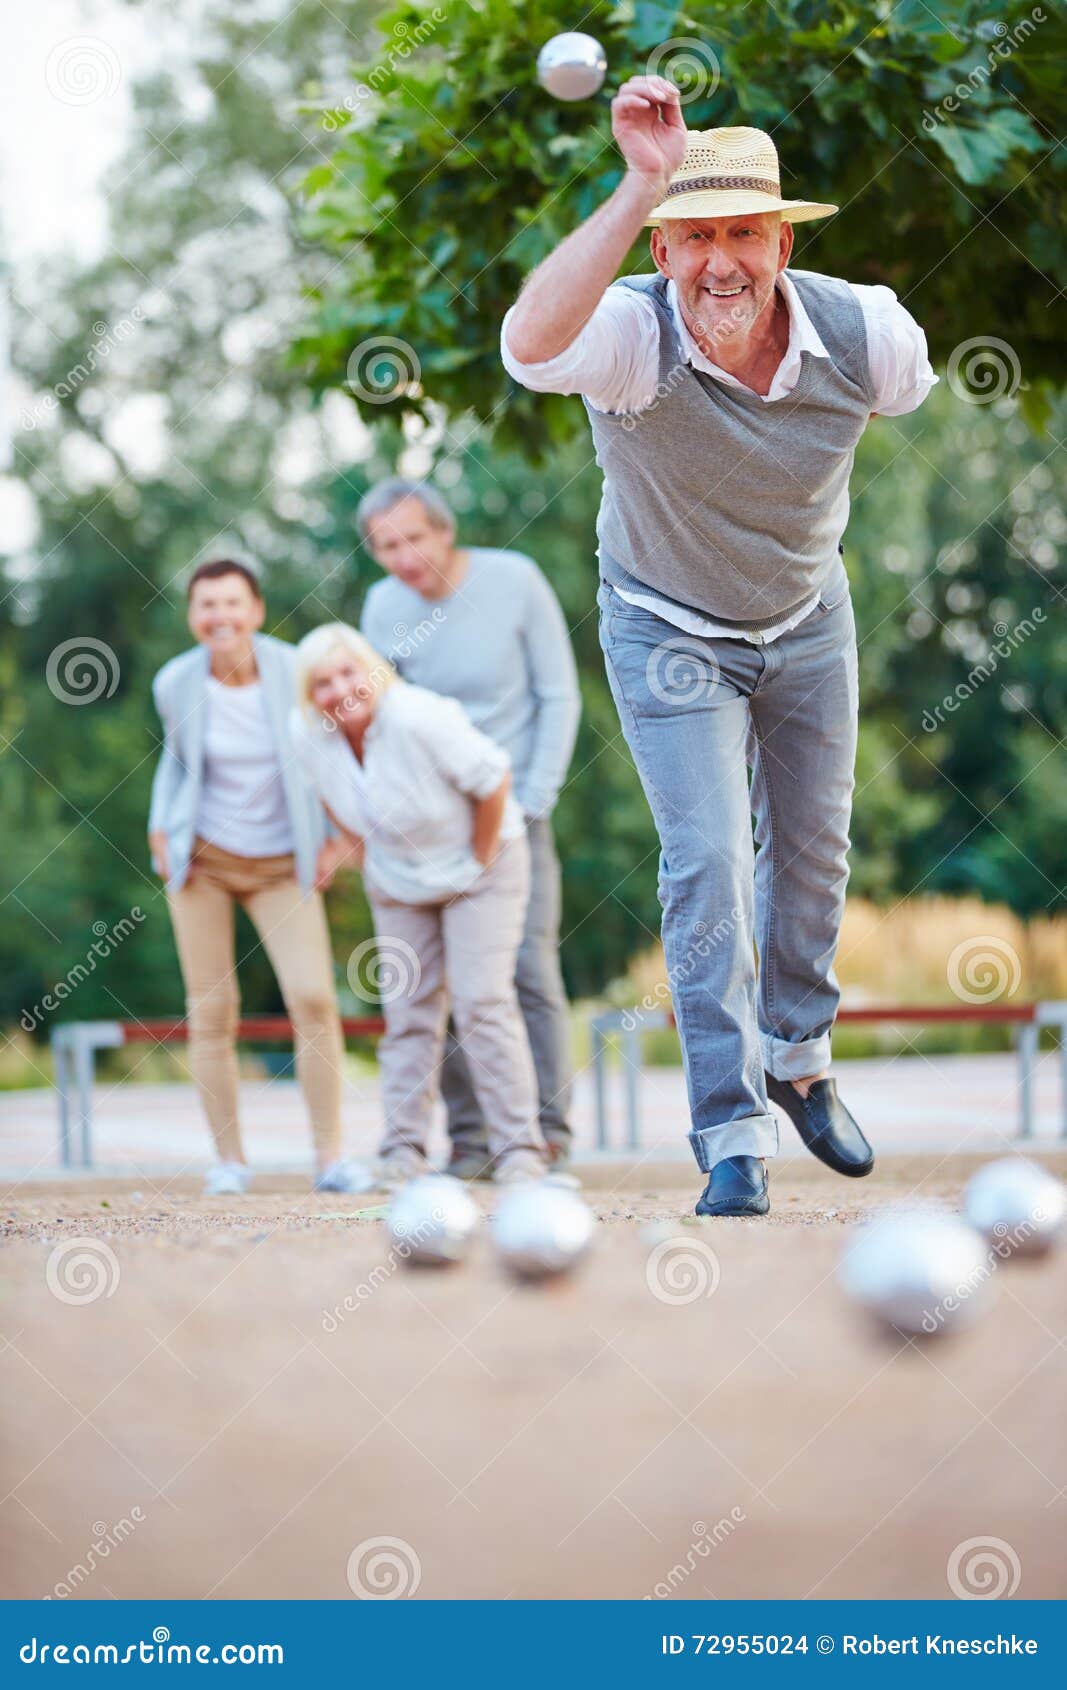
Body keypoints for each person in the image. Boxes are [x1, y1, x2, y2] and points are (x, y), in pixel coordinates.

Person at [501, 87, 938, 1217]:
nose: (719, 263)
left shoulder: (867, 336)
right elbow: (526, 345)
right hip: (665, 623)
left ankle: (799, 1059)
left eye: (743, 233)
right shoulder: (629, 337)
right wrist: (640, 183)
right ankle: (730, 1131)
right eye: (693, 237)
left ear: (782, 244)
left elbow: (891, 401)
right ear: (661, 252)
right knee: (706, 865)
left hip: (805, 615)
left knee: (814, 851)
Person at [359, 478, 581, 1177]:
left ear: (445, 531)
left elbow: (558, 694)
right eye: (386, 547)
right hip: (428, 824)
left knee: (525, 971)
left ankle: (546, 1132)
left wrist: (534, 798)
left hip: (514, 811)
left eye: (413, 538)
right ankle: (472, 1138)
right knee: (439, 982)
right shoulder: (383, 607)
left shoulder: (514, 581)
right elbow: (378, 718)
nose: (403, 557)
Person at [291, 621, 548, 1187]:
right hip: (398, 876)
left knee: (481, 1002)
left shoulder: (418, 716)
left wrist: (478, 861)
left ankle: (520, 1152)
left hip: (483, 864)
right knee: (407, 1011)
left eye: (349, 672)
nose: (340, 690)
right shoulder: (307, 735)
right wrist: (359, 852)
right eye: (323, 683)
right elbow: (331, 797)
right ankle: (402, 1151)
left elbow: (494, 779)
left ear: (372, 670)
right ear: (309, 696)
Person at [148, 558, 366, 1197]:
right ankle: (229, 1163)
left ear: (257, 610)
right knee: (212, 1009)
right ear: (193, 616)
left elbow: (328, 753)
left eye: (232, 603)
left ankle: (330, 1159)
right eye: (207, 605)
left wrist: (339, 838)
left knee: (314, 998)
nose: (220, 616)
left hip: (281, 864)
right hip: (204, 862)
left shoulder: (291, 669)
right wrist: (161, 827)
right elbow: (177, 762)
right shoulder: (174, 682)